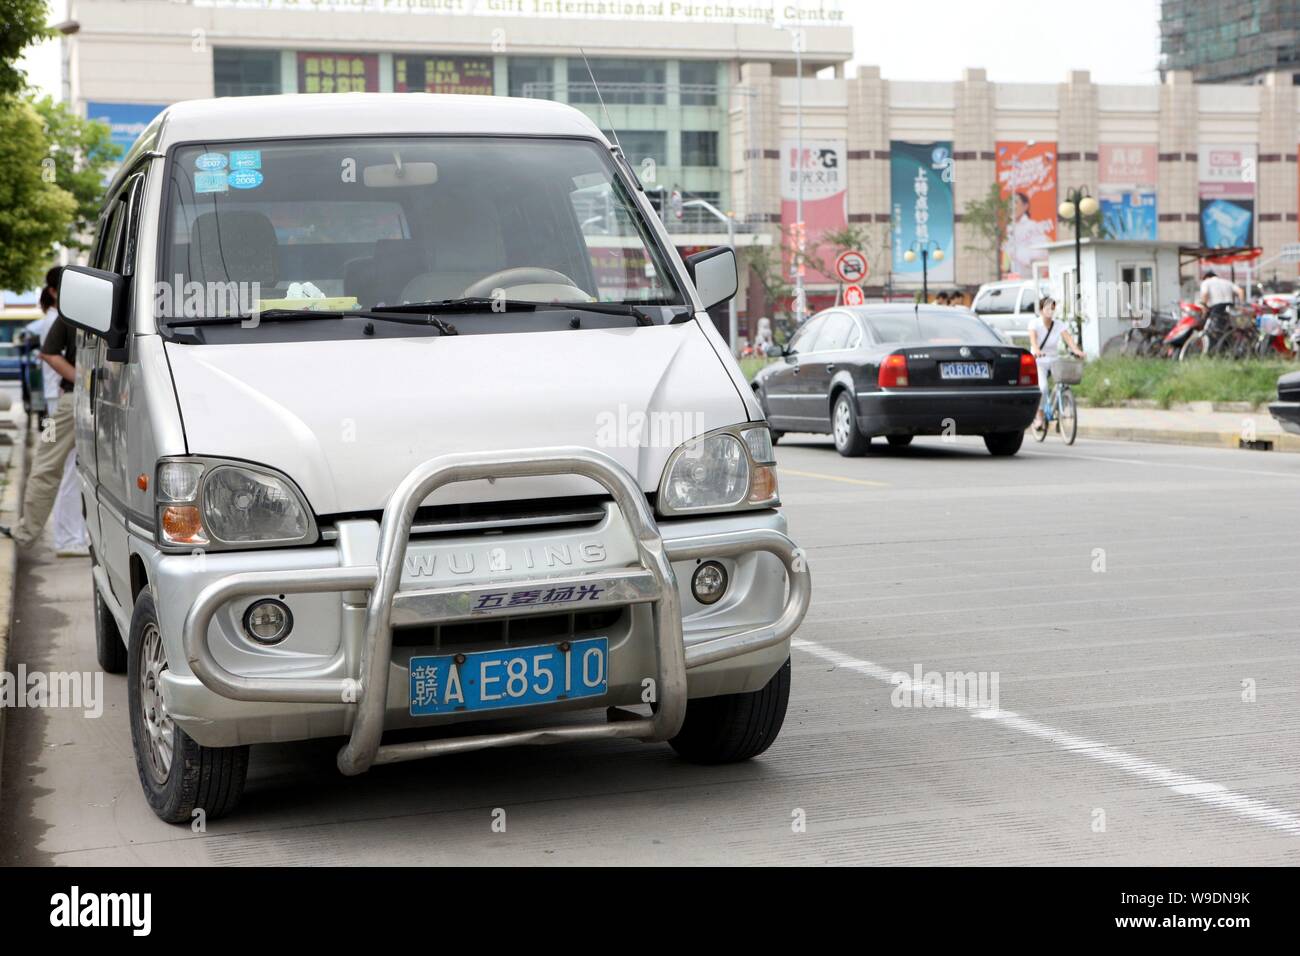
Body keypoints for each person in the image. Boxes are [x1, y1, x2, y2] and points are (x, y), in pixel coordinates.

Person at [0, 273, 84, 554]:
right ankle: (67, 537)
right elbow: (47, 356)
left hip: (56, 404)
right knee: (62, 469)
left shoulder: (58, 317)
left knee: (58, 467)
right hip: (56, 405)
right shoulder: (57, 318)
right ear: (53, 291)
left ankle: (67, 536)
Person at [1029, 296, 1085, 430]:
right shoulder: (1034, 324)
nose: (1050, 311)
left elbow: (1068, 339)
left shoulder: (1058, 324)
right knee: (1043, 388)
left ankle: (1060, 411)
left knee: (1064, 383)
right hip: (1039, 360)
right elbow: (1033, 340)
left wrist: (1077, 350)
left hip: (1054, 359)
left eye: (1052, 309)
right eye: (1047, 308)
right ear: (1041, 310)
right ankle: (1040, 415)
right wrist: (1036, 350)